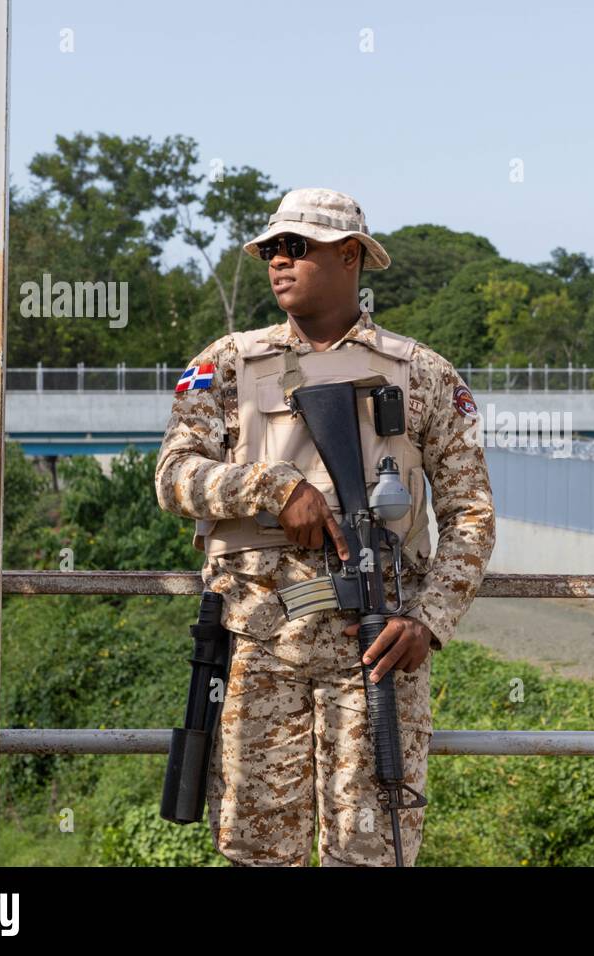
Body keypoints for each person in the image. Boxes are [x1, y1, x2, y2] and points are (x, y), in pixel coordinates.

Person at [154, 187, 495, 866]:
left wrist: (427, 620)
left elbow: (470, 514)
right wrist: (273, 489)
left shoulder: (421, 375)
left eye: (296, 247)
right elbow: (173, 476)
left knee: (369, 853)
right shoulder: (226, 366)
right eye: (272, 249)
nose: (279, 261)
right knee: (257, 853)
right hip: (256, 652)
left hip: (375, 656)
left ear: (350, 257)